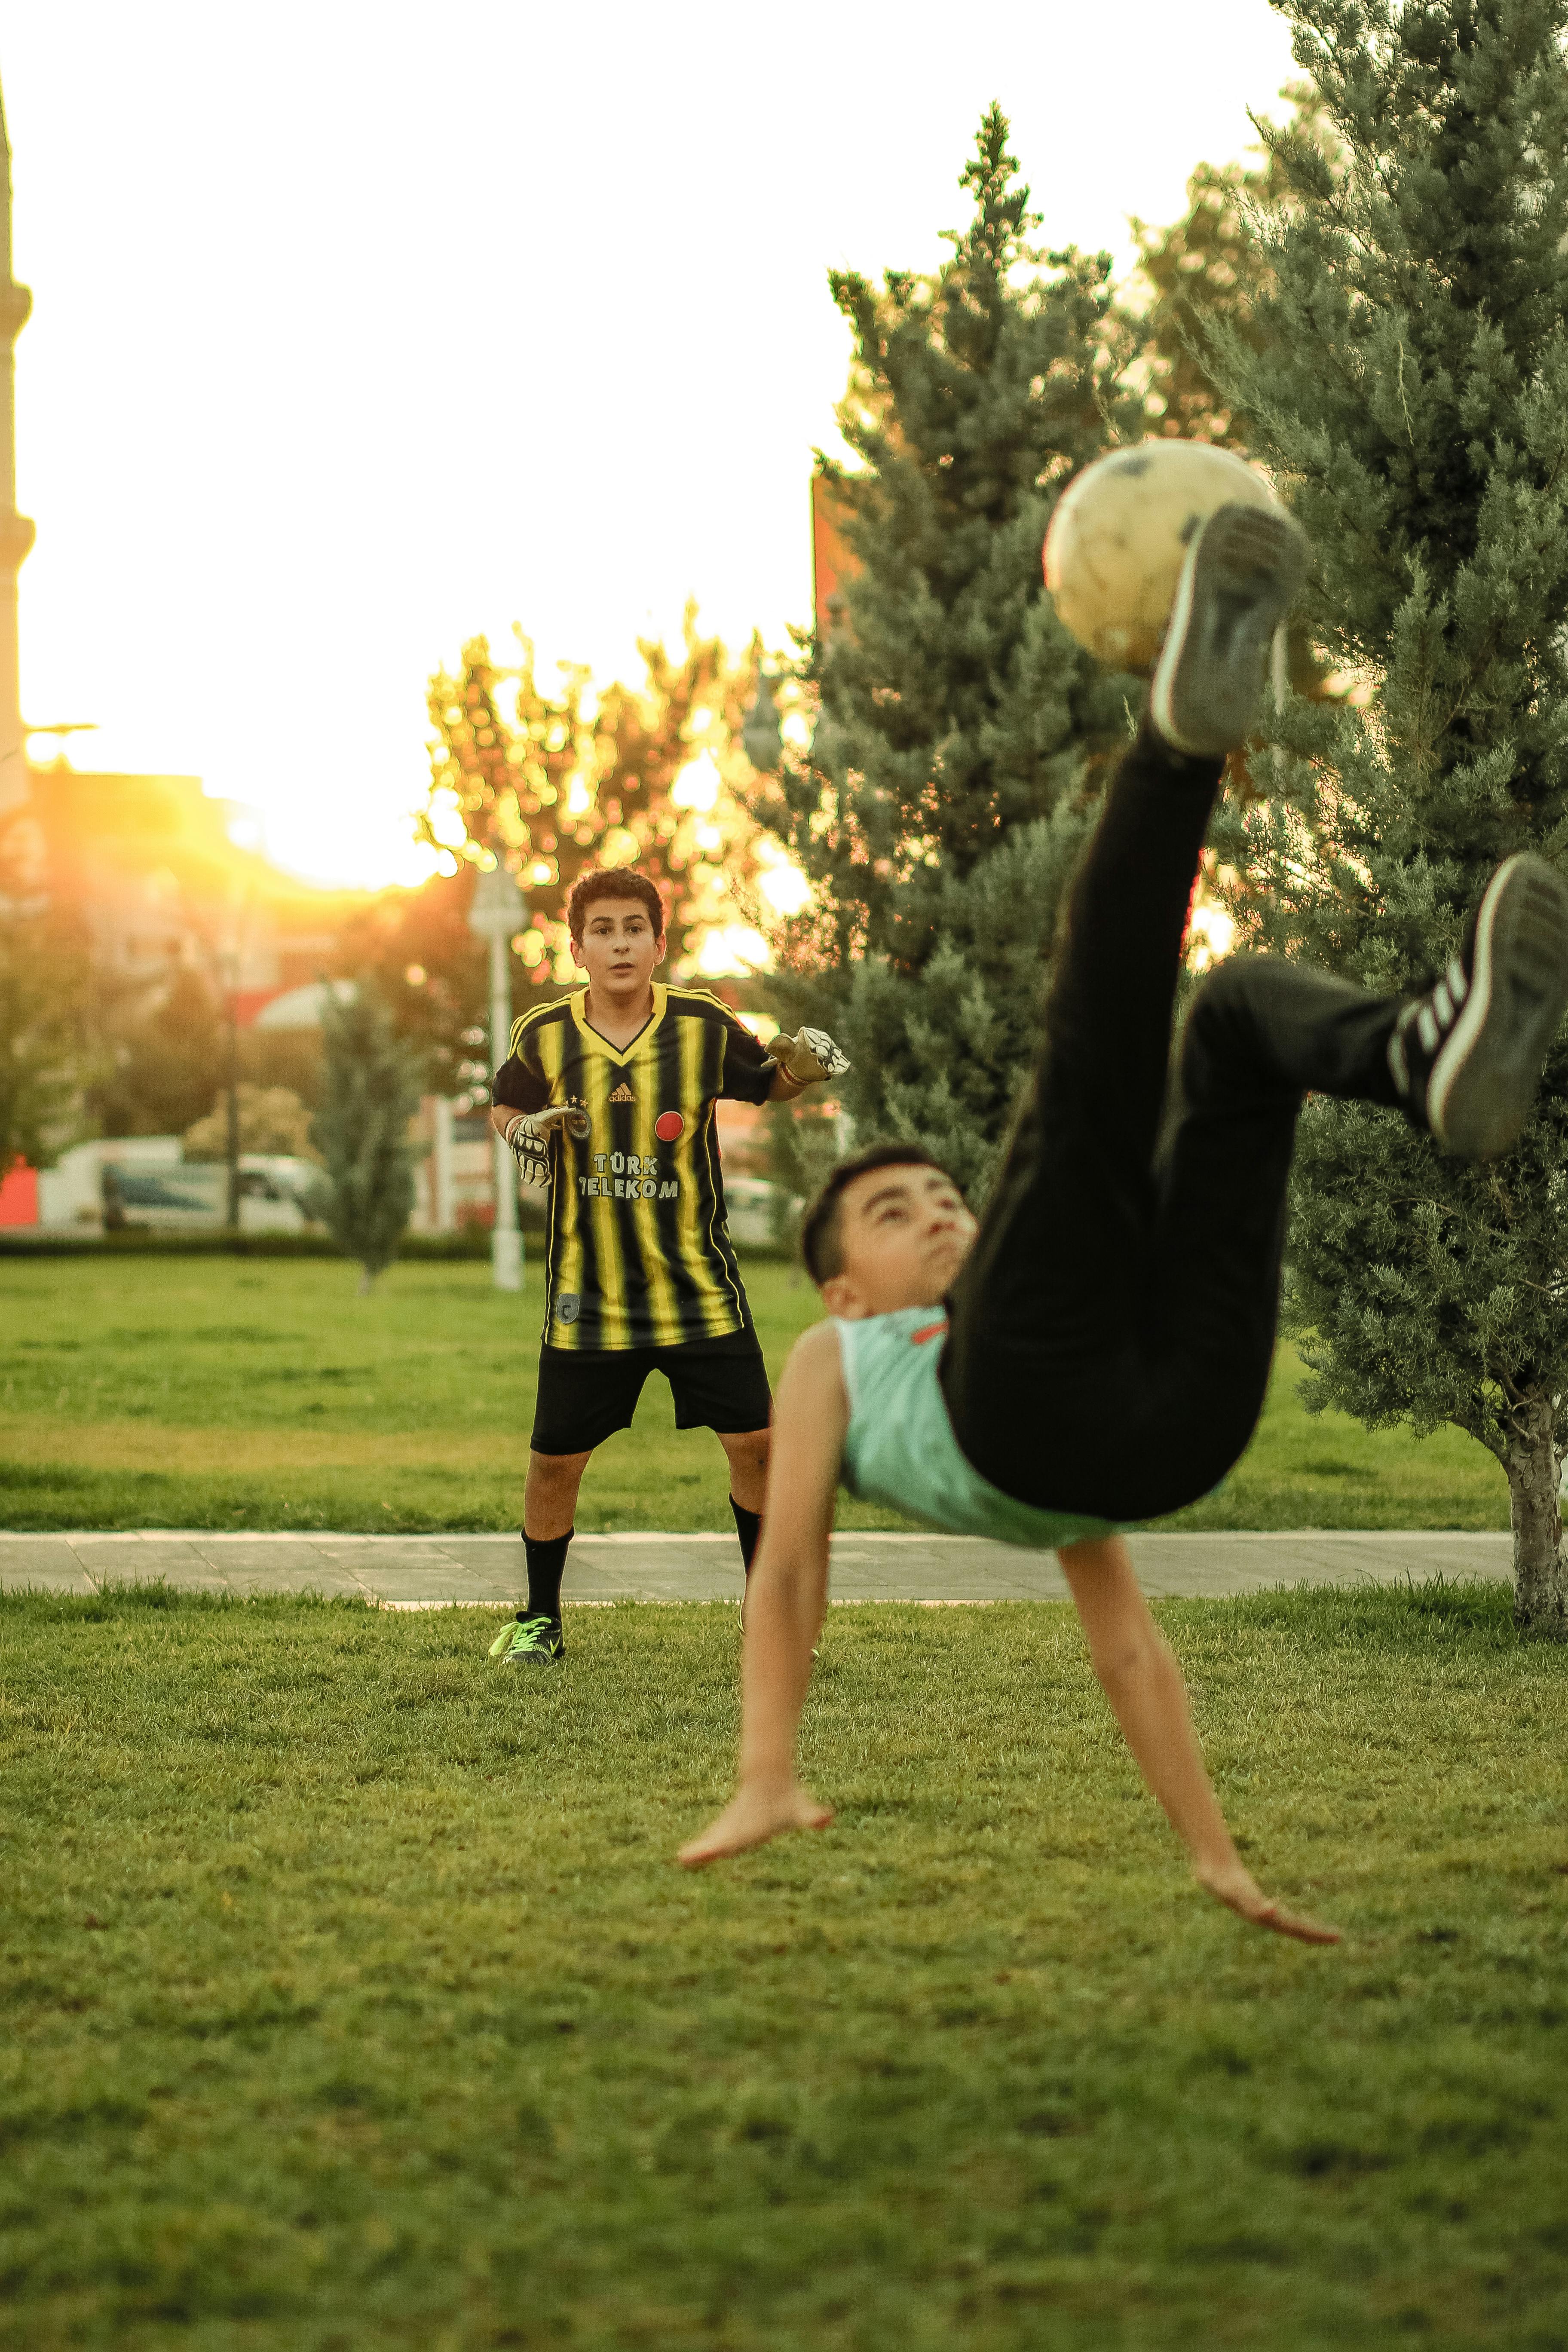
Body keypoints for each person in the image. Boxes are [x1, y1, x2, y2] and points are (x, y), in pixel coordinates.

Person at [679, 498, 1568, 1940]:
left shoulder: (1021, 1339)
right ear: (843, 1290)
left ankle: (1414, 1055)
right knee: (1091, 1053)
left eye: (944, 1196)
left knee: (1226, 1021)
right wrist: (763, 1770)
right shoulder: (835, 1361)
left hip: (1169, 1434)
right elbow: (788, 1572)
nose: (940, 1217)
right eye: (893, 1214)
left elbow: (1125, 1649)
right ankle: (1181, 738)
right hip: (1021, 1404)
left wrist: (1213, 1853)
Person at [486, 865, 846, 1667]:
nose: (619, 943)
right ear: (576, 947)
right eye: (603, 931)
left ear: (659, 941)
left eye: (634, 929)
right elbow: (504, 1101)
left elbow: (767, 1084)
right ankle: (539, 1621)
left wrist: (801, 1070)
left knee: (757, 1445)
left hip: (698, 1288)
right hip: (591, 1294)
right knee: (554, 1465)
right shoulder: (544, 1034)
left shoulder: (702, 1023)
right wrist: (522, 1132)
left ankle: (766, 1613)